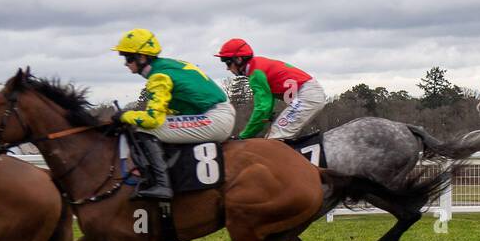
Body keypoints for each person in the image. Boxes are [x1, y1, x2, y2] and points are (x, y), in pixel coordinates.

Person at [112, 29, 236, 201]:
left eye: (128, 58)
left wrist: (124, 116)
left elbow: (152, 120)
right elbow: (167, 111)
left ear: (142, 57)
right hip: (216, 114)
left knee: (145, 129)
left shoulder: (159, 76)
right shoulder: (167, 66)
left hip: (215, 118)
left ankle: (163, 185)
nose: (126, 64)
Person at [215, 39, 328, 140]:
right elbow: (267, 104)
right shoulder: (256, 66)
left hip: (307, 95)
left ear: (239, 59)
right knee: (275, 134)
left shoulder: (256, 72)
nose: (227, 68)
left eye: (228, 63)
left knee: (275, 136)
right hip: (308, 93)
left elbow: (262, 109)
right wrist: (266, 117)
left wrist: (244, 135)